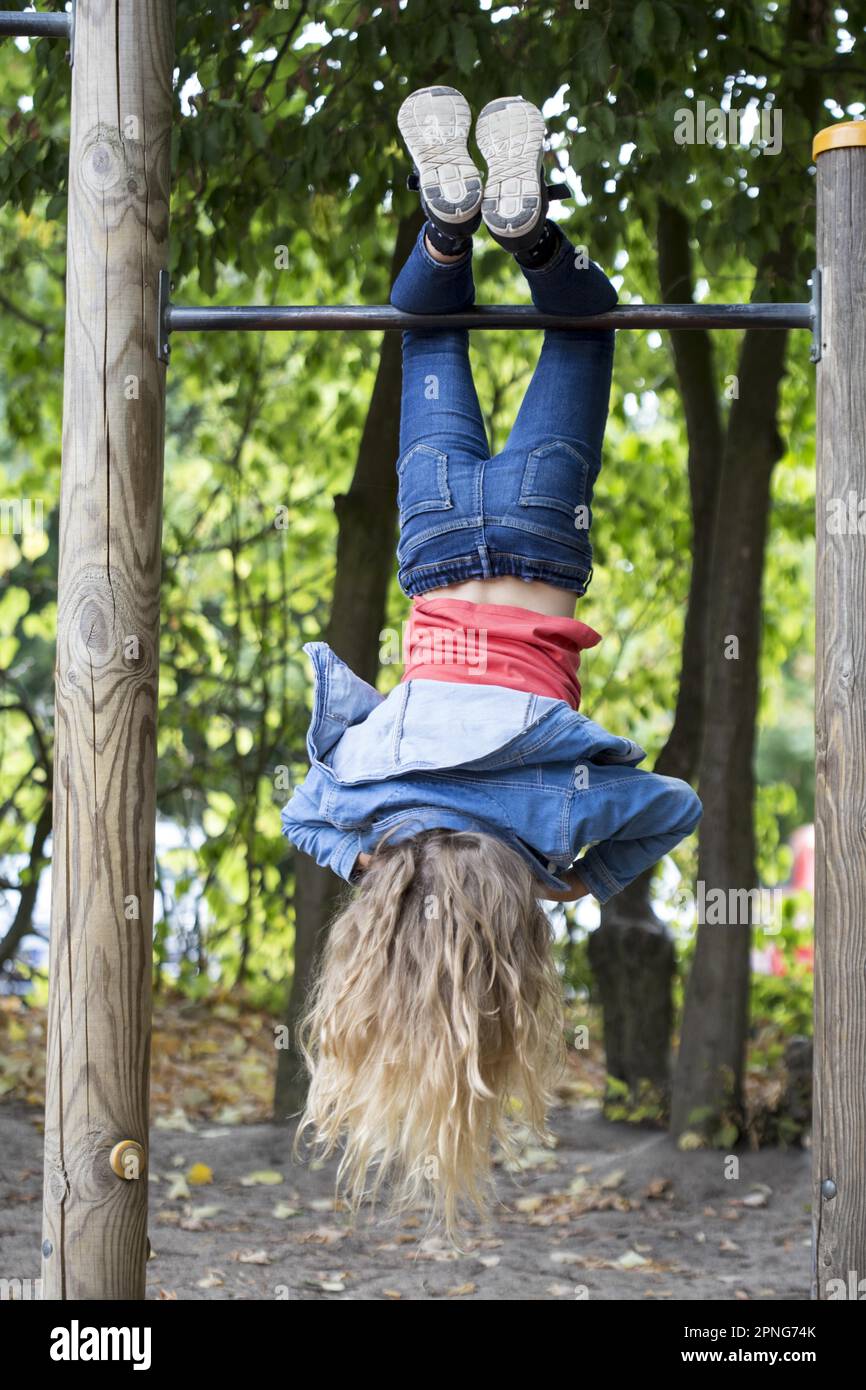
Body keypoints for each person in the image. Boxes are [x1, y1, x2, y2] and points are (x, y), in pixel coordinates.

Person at [282, 87, 702, 1235]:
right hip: (432, 535)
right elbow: (299, 815)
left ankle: (529, 229)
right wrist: (379, 854)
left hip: (534, 533)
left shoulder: (552, 824)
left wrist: (570, 877)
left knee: (581, 327)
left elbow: (675, 804)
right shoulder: (368, 812)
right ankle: (449, 222)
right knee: (424, 328)